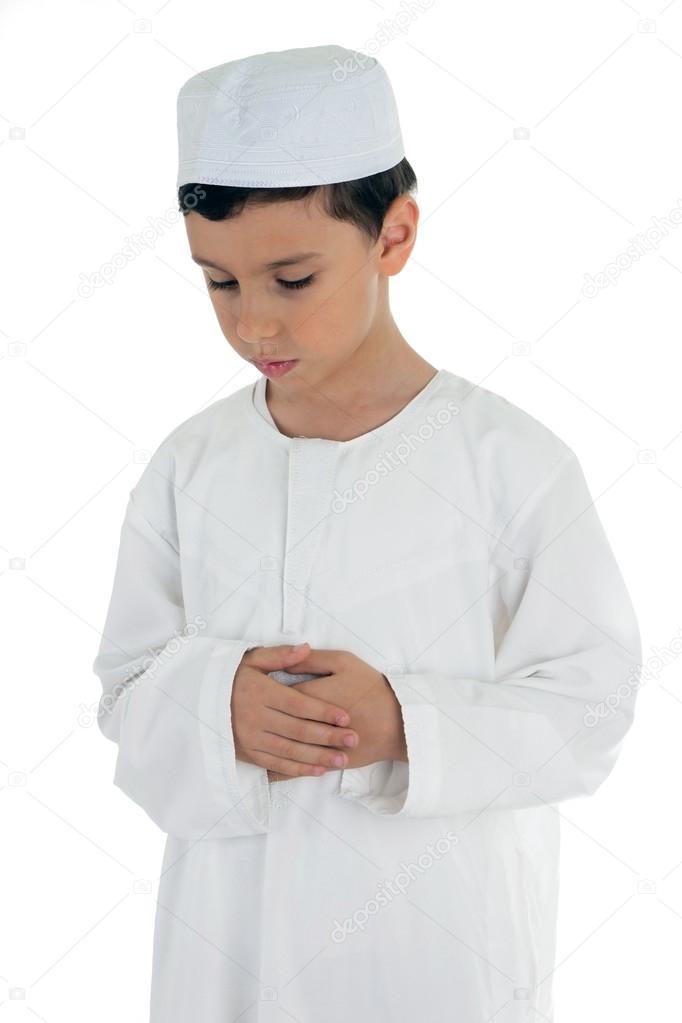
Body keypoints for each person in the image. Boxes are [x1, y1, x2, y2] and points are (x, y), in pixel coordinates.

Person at [92, 43, 642, 1023]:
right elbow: (126, 692)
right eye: (218, 282)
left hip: (435, 947)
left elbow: (589, 707)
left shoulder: (508, 462)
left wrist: (404, 726)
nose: (252, 323)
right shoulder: (190, 465)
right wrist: (214, 706)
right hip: (230, 947)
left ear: (394, 236)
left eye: (292, 279)